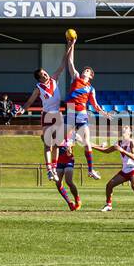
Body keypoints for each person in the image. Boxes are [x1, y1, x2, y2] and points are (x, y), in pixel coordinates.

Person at [21, 41, 74, 180]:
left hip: (57, 114)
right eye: (43, 74)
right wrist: (22, 109)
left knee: (58, 143)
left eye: (45, 72)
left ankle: (54, 169)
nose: (46, 74)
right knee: (48, 144)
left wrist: (70, 46)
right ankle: (49, 169)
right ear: (39, 78)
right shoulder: (38, 87)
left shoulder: (54, 79)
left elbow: (63, 64)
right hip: (47, 115)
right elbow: (30, 101)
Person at [64, 47, 110, 180]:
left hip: (82, 113)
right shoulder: (76, 77)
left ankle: (90, 170)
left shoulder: (91, 88)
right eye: (85, 69)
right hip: (71, 110)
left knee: (87, 143)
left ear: (91, 76)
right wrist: (72, 45)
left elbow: (95, 104)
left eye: (88, 71)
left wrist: (103, 113)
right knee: (65, 142)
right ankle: (68, 150)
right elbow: (70, 62)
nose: (86, 70)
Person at [98, 126, 134, 212]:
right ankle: (109, 205)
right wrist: (91, 146)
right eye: (122, 131)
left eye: (125, 131)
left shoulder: (132, 142)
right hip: (125, 170)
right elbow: (106, 151)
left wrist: (122, 150)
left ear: (130, 133)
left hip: (133, 168)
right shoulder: (119, 142)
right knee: (109, 185)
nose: (123, 132)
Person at [52, 139, 81, 211]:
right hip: (58, 162)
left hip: (68, 160)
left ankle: (77, 199)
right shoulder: (55, 135)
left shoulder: (71, 134)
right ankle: (69, 202)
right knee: (58, 184)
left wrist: (70, 146)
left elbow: (82, 141)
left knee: (69, 181)